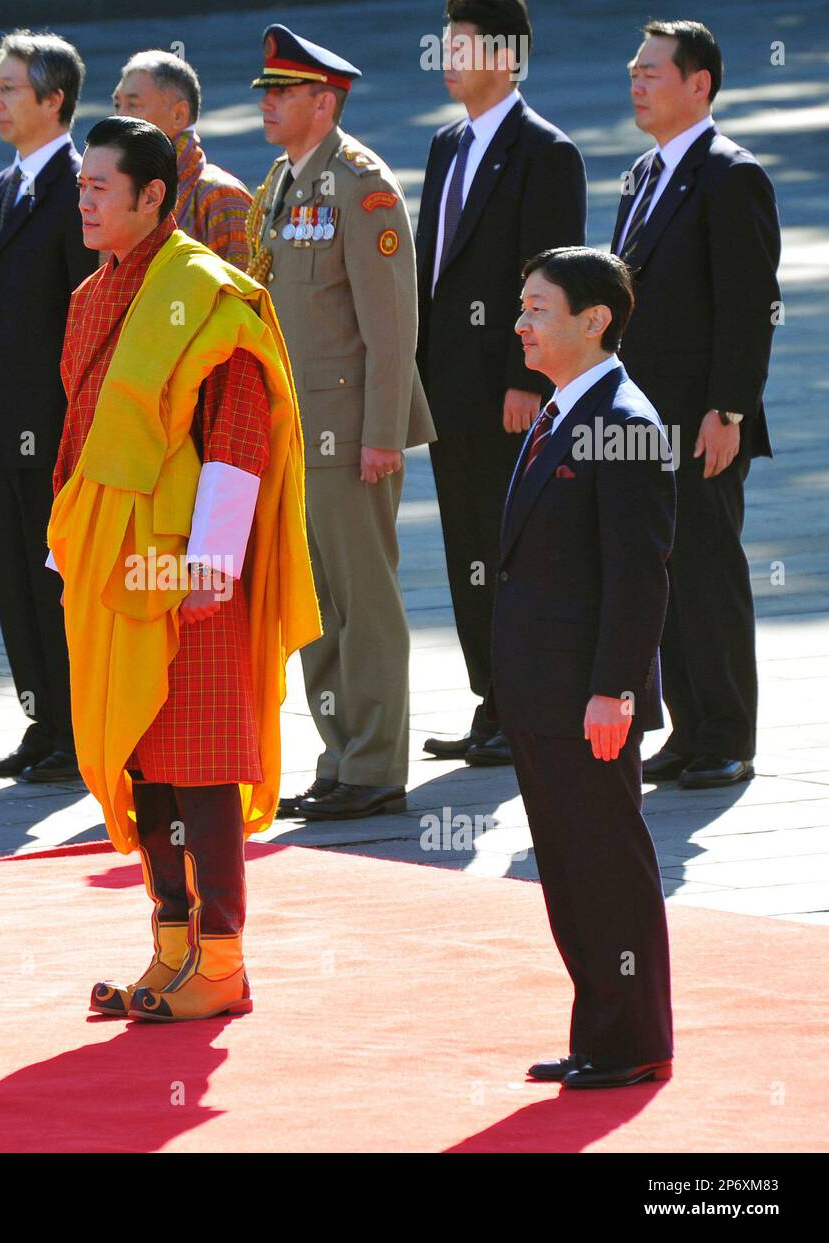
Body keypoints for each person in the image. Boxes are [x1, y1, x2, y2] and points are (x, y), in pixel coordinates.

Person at [46, 116, 320, 1021]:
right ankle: (170, 947)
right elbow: (82, 428)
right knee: (143, 763)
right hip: (114, 556)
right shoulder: (93, 295)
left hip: (190, 564)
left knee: (201, 763)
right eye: (80, 186)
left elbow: (239, 434)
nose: (82, 201)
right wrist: (67, 538)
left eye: (98, 188)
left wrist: (213, 563)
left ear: (153, 198)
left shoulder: (207, 291)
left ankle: (224, 960)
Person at [248, 26, 435, 821]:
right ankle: (340, 755)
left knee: (364, 599)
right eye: (266, 91)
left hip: (350, 429)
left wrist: (383, 433)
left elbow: (392, 326)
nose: (267, 104)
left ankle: (377, 763)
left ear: (323, 103)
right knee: (317, 602)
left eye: (282, 93)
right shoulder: (288, 181)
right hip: (297, 427)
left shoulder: (362, 187)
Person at [500, 247, 675, 1088]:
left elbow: (640, 572)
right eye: (522, 307)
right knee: (569, 867)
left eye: (538, 308)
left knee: (604, 861)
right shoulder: (562, 406)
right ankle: (598, 1031)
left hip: (585, 692)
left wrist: (615, 688)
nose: (521, 323)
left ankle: (633, 1038)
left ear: (594, 319)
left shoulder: (625, 420)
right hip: (542, 688)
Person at [416, 0, 586, 767]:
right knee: (465, 548)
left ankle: (524, 703)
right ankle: (491, 698)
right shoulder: (446, 145)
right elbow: (432, 274)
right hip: (446, 391)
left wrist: (529, 376)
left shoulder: (546, 152)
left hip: (507, 392)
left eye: (461, 44)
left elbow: (548, 277)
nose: (445, 55)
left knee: (511, 549)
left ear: (506, 56)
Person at [614, 20, 779, 790]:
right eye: (634, 71)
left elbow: (749, 307)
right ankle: (686, 726)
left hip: (704, 418)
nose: (637, 82)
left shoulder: (729, 174)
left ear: (699, 84)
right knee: (663, 575)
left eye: (652, 72)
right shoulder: (643, 172)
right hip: (643, 420)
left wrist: (730, 410)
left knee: (709, 574)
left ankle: (727, 733)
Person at [0, 31, 98, 784]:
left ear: (54, 101)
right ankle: (41, 719)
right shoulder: (4, 184)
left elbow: (83, 318)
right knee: (14, 582)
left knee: (54, 585)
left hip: (50, 428)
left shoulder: (79, 187)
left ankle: (74, 730)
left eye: (10, 87)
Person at [113, 49, 254, 269]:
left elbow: (244, 297)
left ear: (178, 115)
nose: (118, 117)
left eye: (133, 105)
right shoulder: (119, 191)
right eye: (117, 105)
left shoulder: (220, 196)